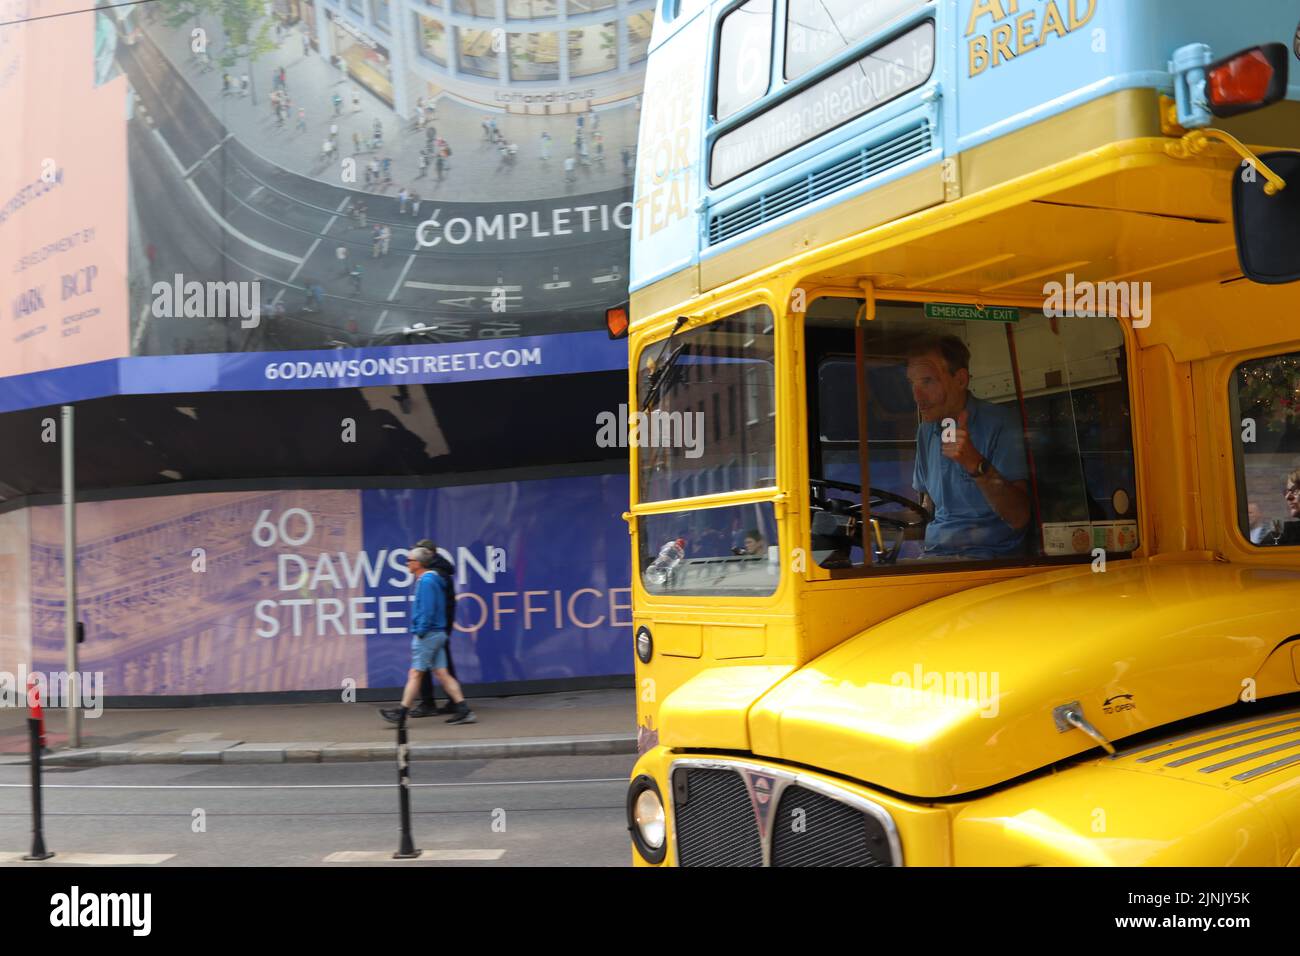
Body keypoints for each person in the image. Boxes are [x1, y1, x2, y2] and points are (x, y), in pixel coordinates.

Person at [906, 334, 1031, 559]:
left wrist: (974, 462)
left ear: (961, 380)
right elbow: (927, 509)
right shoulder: (926, 431)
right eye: (912, 384)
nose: (917, 396)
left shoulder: (1001, 423)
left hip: (989, 559)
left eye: (927, 381)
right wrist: (865, 526)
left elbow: (1019, 516)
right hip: (937, 555)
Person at [380, 546, 475, 726]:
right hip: (437, 633)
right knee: (442, 673)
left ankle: (401, 713)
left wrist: (421, 631)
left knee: (415, 673)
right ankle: (464, 710)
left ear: (418, 563)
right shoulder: (432, 579)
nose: (406, 563)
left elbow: (428, 610)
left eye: (409, 560)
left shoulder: (427, 582)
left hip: (429, 634)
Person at [411, 539, 460, 716]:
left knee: (420, 668)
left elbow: (429, 607)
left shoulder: (432, 575)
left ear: (429, 553)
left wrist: (421, 629)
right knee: (441, 669)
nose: (412, 560)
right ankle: (458, 703)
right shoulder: (440, 572)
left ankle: (427, 704)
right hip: (441, 626)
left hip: (433, 628)